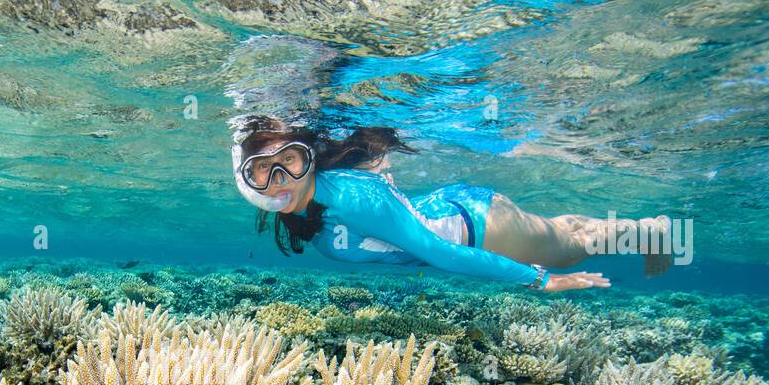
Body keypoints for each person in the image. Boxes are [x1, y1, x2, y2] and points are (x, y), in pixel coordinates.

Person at [231, 119, 674, 292]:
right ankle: (638, 228)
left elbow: (437, 252)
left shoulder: (349, 199)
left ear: (309, 159)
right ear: (246, 179)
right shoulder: (310, 204)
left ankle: (651, 231)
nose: (278, 181)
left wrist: (539, 279)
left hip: (478, 228)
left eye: (289, 162)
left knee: (574, 247)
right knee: (559, 229)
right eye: (262, 171)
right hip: (460, 208)